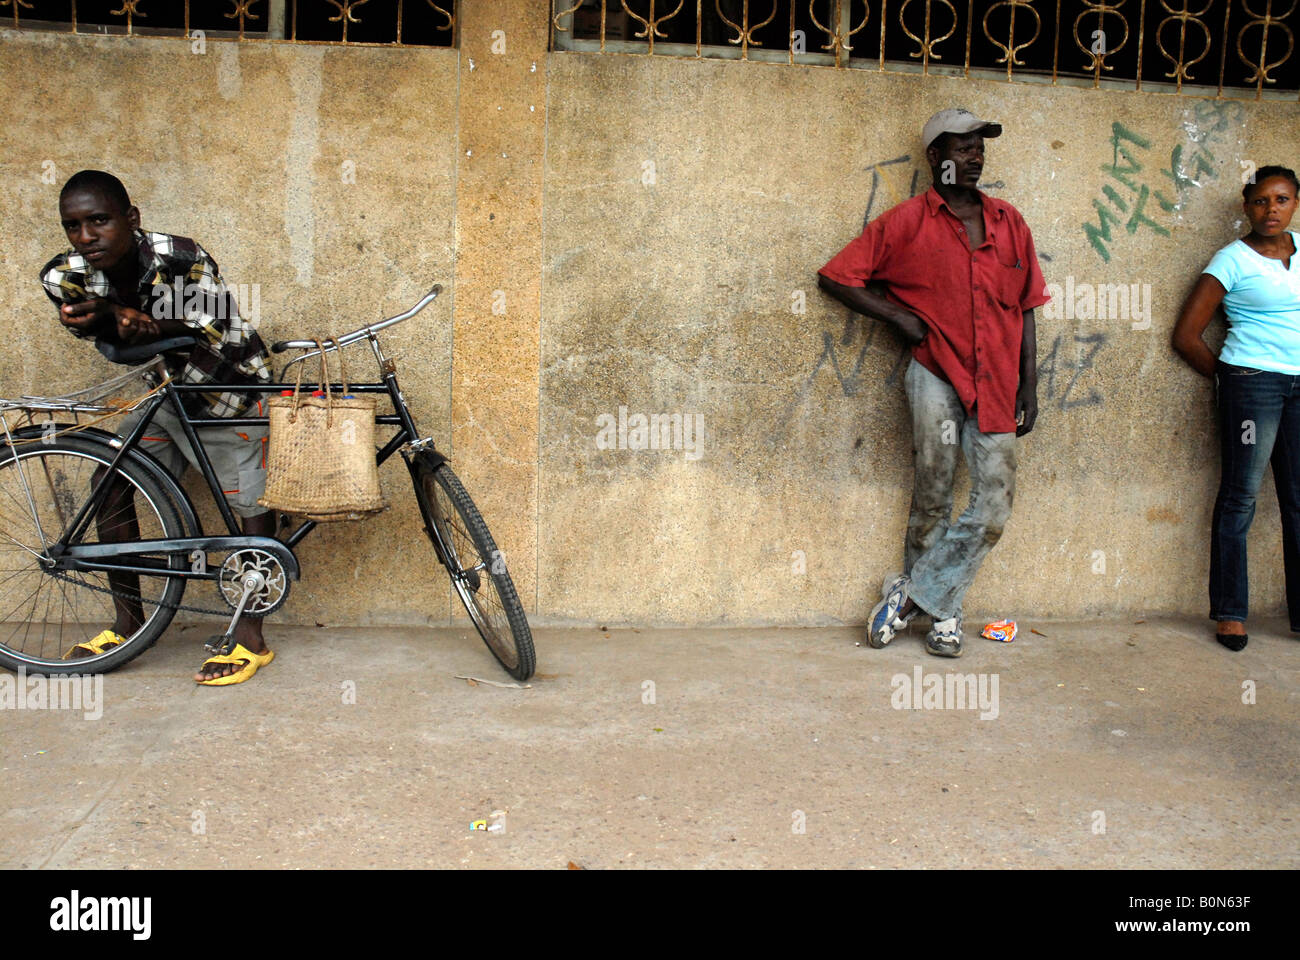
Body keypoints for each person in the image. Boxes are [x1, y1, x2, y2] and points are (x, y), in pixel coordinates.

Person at [818, 109, 1049, 657]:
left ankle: (918, 596)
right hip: (935, 372)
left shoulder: (1009, 222)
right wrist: (897, 317)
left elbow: (1028, 309)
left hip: (997, 378)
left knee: (992, 504)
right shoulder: (907, 222)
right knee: (934, 494)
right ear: (935, 158)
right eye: (962, 147)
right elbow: (835, 276)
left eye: (979, 147)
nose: (974, 156)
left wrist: (1029, 385)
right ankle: (944, 613)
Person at [40, 169, 277, 684]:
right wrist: (109, 316)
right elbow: (106, 335)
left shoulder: (180, 257)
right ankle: (128, 626)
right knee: (109, 482)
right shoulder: (65, 274)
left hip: (227, 387)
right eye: (73, 226)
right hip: (167, 391)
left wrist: (140, 319)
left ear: (131, 219)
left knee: (249, 505)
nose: (86, 237)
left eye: (99, 220)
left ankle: (251, 637)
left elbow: (213, 325)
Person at [1171, 165, 1300, 652]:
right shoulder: (1231, 259)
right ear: (1246, 205)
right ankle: (1230, 613)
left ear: (1295, 203)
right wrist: (1233, 382)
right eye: (1262, 201)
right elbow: (1185, 336)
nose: (1272, 210)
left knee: (1298, 499)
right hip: (1253, 386)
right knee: (1241, 497)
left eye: (1282, 200)